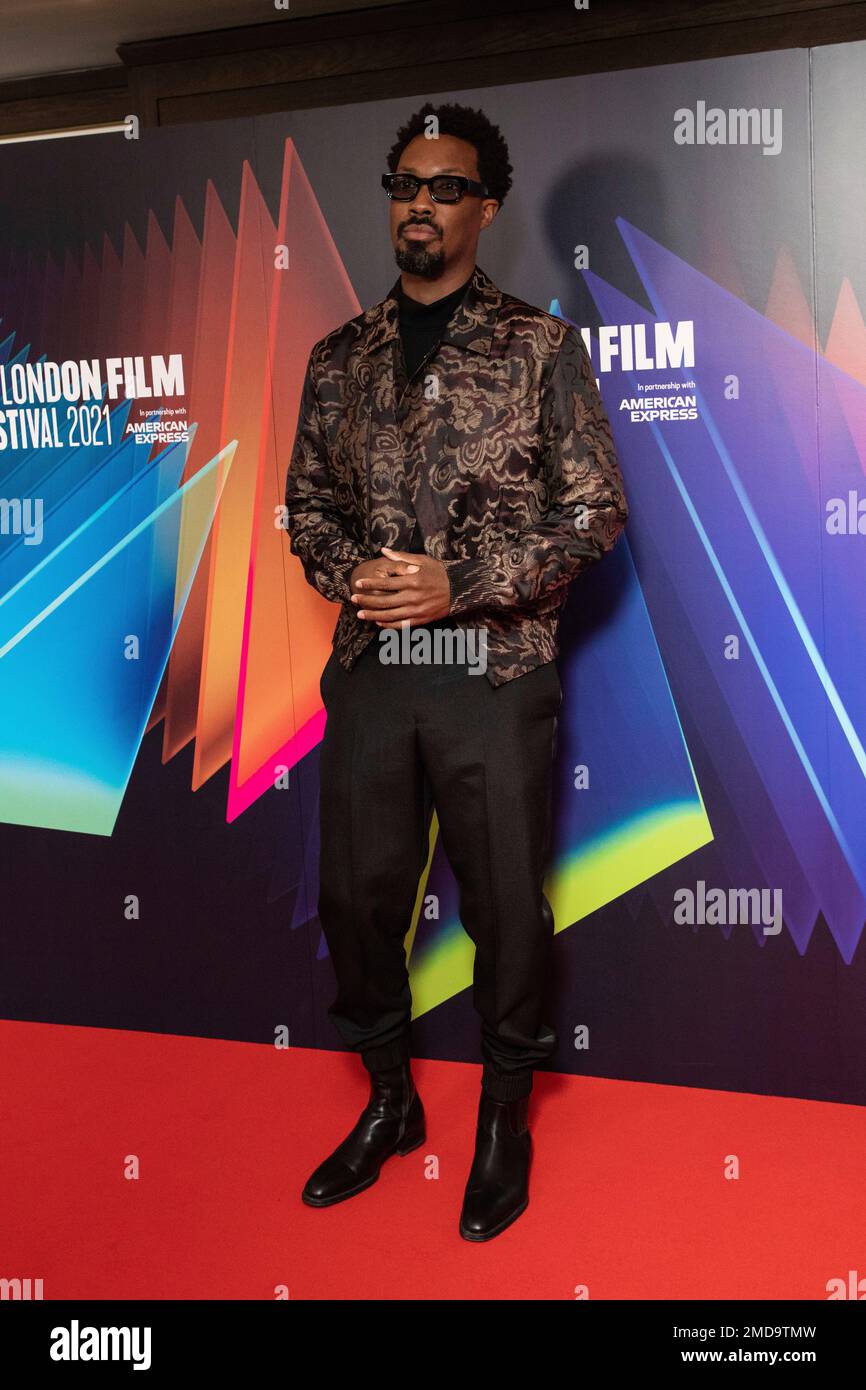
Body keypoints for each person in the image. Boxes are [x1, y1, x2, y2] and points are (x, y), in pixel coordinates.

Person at [284, 100, 628, 1241]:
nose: (418, 204)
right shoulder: (339, 358)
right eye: (404, 185)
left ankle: (501, 1119)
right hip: (376, 671)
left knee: (502, 912)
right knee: (357, 898)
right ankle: (389, 1103)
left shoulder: (539, 348)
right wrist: (363, 581)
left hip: (489, 673)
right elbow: (308, 512)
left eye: (443, 186)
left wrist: (456, 582)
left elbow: (593, 513)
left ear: (485, 204)